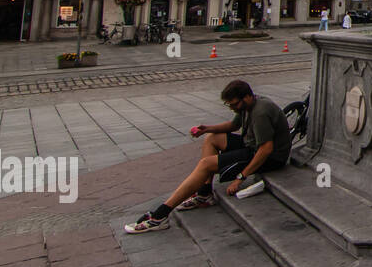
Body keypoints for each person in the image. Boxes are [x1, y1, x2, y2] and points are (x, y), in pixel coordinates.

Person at [123, 80, 292, 233]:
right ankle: (204, 194)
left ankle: (160, 216)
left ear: (247, 97)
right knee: (212, 138)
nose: (233, 109)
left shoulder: (261, 112)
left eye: (234, 105)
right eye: (230, 106)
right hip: (252, 145)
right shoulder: (248, 104)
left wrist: (241, 177)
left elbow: (266, 149)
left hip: (270, 158)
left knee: (206, 164)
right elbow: (234, 125)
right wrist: (207, 129)